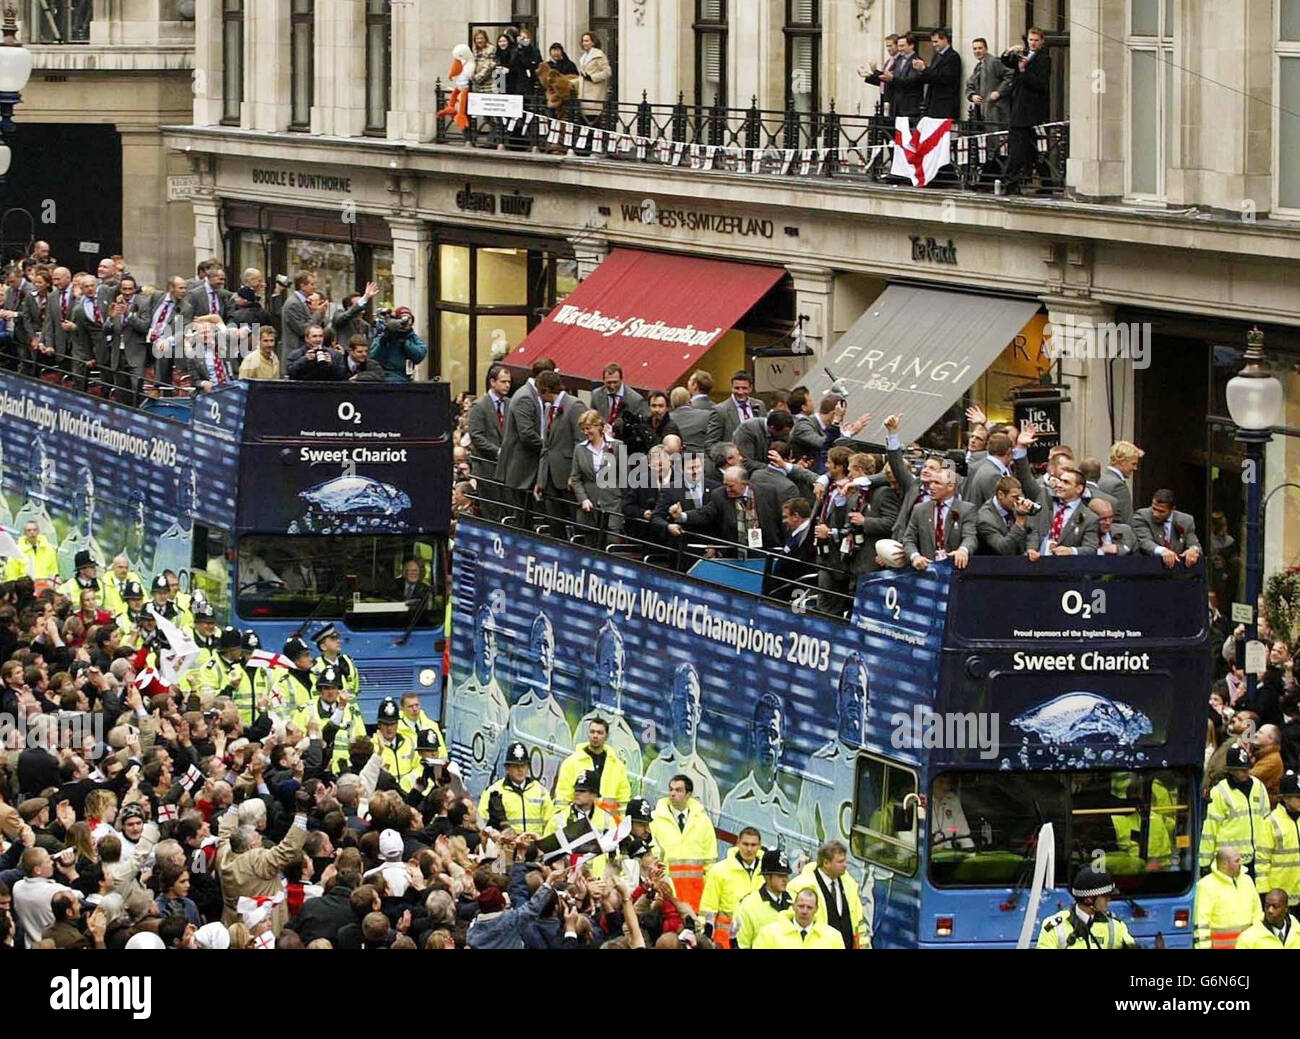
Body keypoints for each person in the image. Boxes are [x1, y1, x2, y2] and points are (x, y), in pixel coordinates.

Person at [649, 774, 717, 913]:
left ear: (688, 794)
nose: (673, 793)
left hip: (695, 891)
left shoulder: (703, 821)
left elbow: (710, 861)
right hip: (666, 889)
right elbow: (653, 853)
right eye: (671, 789)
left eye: (678, 790)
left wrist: (709, 889)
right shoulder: (656, 819)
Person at [1200, 745, 1271, 875]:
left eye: (1247, 768)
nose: (1246, 772)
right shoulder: (1219, 792)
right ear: (1230, 770)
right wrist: (1204, 863)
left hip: (1257, 859)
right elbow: (1210, 829)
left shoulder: (1259, 787)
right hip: (1231, 860)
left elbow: (1267, 822)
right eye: (1241, 769)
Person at [788, 839, 868, 949]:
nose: (845, 865)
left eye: (845, 861)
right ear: (826, 863)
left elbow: (859, 923)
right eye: (840, 862)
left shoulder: (849, 885)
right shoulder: (800, 887)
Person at [1000, 27, 1052, 193]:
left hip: (1031, 110)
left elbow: (1039, 84)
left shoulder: (1044, 59)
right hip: (1019, 107)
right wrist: (1009, 51)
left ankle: (1013, 183)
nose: (1033, 43)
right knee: (1029, 149)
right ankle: (1045, 183)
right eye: (1031, 40)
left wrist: (1023, 70)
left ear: (1041, 41)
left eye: (1036, 40)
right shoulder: (1024, 54)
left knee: (1027, 149)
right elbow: (1006, 62)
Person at [1036, 865, 1137, 949]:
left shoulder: (1116, 926)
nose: (1109, 899)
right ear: (1089, 899)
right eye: (1105, 896)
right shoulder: (1055, 926)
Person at [699, 826, 764, 948]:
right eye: (745, 844)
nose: (749, 849)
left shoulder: (765, 873)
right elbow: (708, 909)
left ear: (760, 846)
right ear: (738, 843)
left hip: (757, 939)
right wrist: (706, 938)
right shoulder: (719, 871)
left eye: (753, 845)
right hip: (724, 941)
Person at [555, 717, 632, 818]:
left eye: (600, 733)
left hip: (608, 826)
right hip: (578, 822)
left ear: (607, 736)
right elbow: (563, 797)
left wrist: (620, 826)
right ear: (588, 734)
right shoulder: (571, 763)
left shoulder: (617, 766)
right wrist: (564, 821)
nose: (595, 736)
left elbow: (623, 801)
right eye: (592, 732)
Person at [903, 467, 976, 570]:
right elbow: (908, 539)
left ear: (950, 486)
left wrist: (963, 550)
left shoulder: (966, 510)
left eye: (937, 483)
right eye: (931, 483)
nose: (931, 487)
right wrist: (915, 556)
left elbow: (970, 537)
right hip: (927, 571)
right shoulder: (919, 510)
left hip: (955, 571)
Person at [570, 409, 624, 547]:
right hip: (589, 507)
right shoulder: (579, 449)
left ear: (599, 426)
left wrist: (619, 498)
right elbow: (576, 479)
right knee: (590, 545)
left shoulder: (617, 446)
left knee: (612, 544)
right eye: (583, 429)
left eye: (588, 428)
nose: (585, 432)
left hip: (612, 505)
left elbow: (624, 477)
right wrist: (583, 499)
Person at [478, 741, 553, 836]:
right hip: (507, 846)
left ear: (528, 767)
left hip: (534, 846)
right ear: (507, 768)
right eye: (515, 766)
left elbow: (550, 823)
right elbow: (482, 823)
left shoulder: (540, 791)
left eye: (523, 765)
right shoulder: (494, 791)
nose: (520, 770)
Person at [1194, 847, 1262, 950]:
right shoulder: (1206, 885)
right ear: (1224, 864)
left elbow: (1257, 914)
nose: (1241, 863)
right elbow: (1201, 923)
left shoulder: (1247, 881)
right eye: (1237, 860)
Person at [1027, 468, 1100, 559]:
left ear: (1079, 489)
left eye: (1066, 482)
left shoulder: (1090, 518)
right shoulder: (1046, 502)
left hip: (1066, 568)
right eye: (1060, 480)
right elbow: (1034, 529)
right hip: (1037, 565)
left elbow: (1091, 548)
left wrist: (1071, 551)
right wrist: (1032, 549)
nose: (1059, 485)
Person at [1255, 769, 1300, 912]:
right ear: (1284, 798)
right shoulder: (1271, 822)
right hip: (1280, 895)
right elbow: (1262, 860)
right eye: (1297, 797)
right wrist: (1264, 893)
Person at [732, 847, 794, 948]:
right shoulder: (749, 905)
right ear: (767, 877)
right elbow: (741, 943)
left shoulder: (795, 902)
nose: (785, 880)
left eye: (786, 875)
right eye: (780, 876)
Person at [753, 887, 845, 949]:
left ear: (816, 909)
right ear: (793, 906)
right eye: (801, 906)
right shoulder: (769, 933)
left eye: (809, 907)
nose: (804, 911)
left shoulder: (833, 937)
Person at [1132, 489, 1202, 569]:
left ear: (1172, 509)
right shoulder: (1142, 516)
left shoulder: (1186, 520)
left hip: (1177, 574)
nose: (1155, 514)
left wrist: (1193, 550)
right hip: (1149, 570)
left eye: (1161, 511)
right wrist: (1163, 551)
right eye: (1154, 509)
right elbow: (1144, 542)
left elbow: (1194, 544)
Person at [911, 27, 963, 121]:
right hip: (933, 104)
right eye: (932, 42)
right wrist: (921, 70)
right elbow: (930, 77)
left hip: (945, 105)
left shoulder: (953, 57)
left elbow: (943, 77)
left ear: (945, 40)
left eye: (936, 41)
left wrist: (925, 69)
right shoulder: (936, 56)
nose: (934, 45)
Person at [965, 36, 1013, 124]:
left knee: (995, 134)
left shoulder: (994, 62)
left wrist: (999, 92)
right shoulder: (978, 66)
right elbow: (970, 84)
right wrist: (972, 95)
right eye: (975, 49)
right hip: (983, 109)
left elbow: (1010, 75)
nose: (977, 51)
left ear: (986, 49)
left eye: (980, 48)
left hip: (996, 109)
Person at [1235, 889, 1300, 948]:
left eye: (1275, 906)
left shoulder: (1297, 933)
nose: (1270, 910)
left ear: (1286, 909)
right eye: (1267, 906)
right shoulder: (1248, 939)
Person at [1099, 440, 1143, 525]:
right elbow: (1127, 519)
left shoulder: (1100, 478)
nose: (1135, 468)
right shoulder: (1118, 486)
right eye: (1133, 464)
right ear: (1122, 461)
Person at [576, 31, 612, 118]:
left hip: (594, 92)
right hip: (583, 91)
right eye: (583, 41)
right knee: (584, 118)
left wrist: (592, 77)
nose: (584, 43)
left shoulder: (599, 55)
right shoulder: (584, 56)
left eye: (587, 41)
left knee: (593, 117)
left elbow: (607, 72)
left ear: (593, 42)